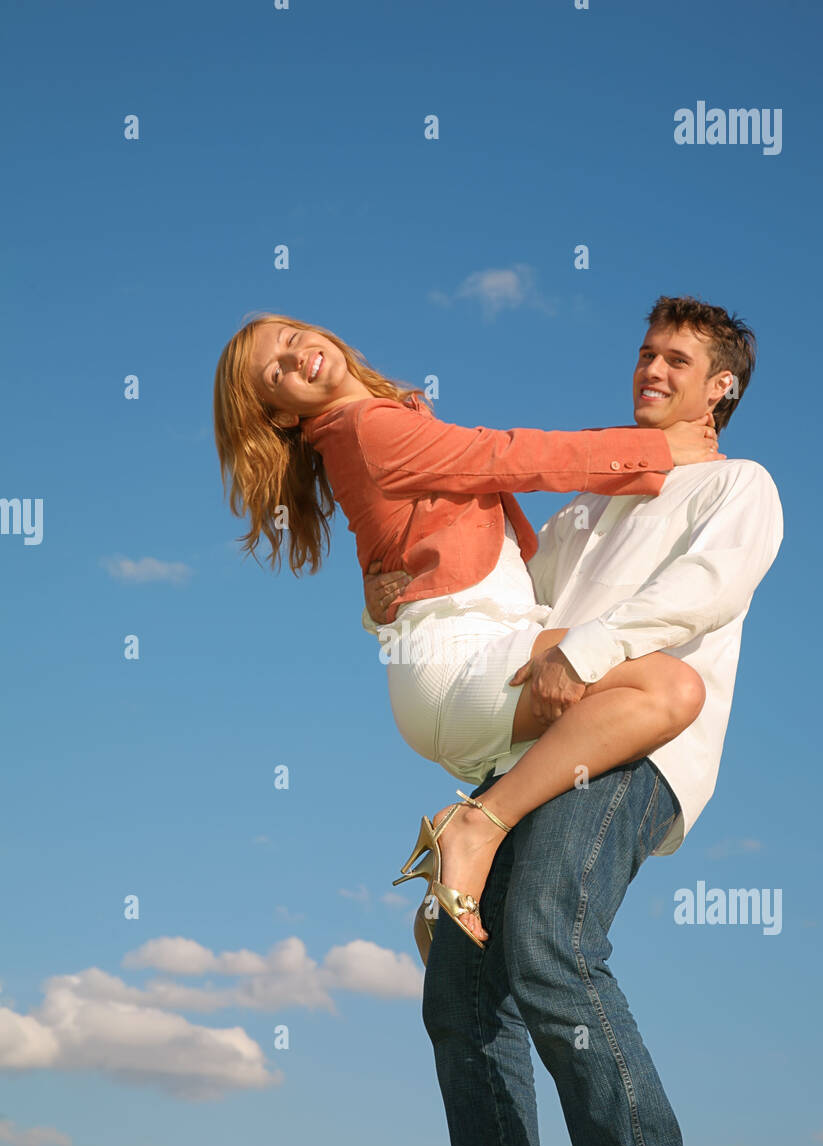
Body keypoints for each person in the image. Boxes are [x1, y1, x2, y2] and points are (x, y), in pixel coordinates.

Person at [363, 295, 783, 1146]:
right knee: (460, 983)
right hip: (537, 753)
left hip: (638, 744)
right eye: (644, 353)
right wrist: (397, 601)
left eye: (677, 359)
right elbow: (509, 609)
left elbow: (701, 594)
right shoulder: (594, 507)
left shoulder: (739, 486)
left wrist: (586, 649)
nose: (652, 369)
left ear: (720, 388)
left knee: (550, 938)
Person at [213, 312, 723, 958]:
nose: (294, 358)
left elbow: (390, 553)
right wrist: (656, 451)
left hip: (458, 662)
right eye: (275, 373)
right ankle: (473, 830)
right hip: (461, 660)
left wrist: (374, 607)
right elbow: (503, 456)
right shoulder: (369, 427)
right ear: (282, 415)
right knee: (669, 688)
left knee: (636, 688)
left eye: (290, 340)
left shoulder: (367, 427)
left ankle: (445, 912)